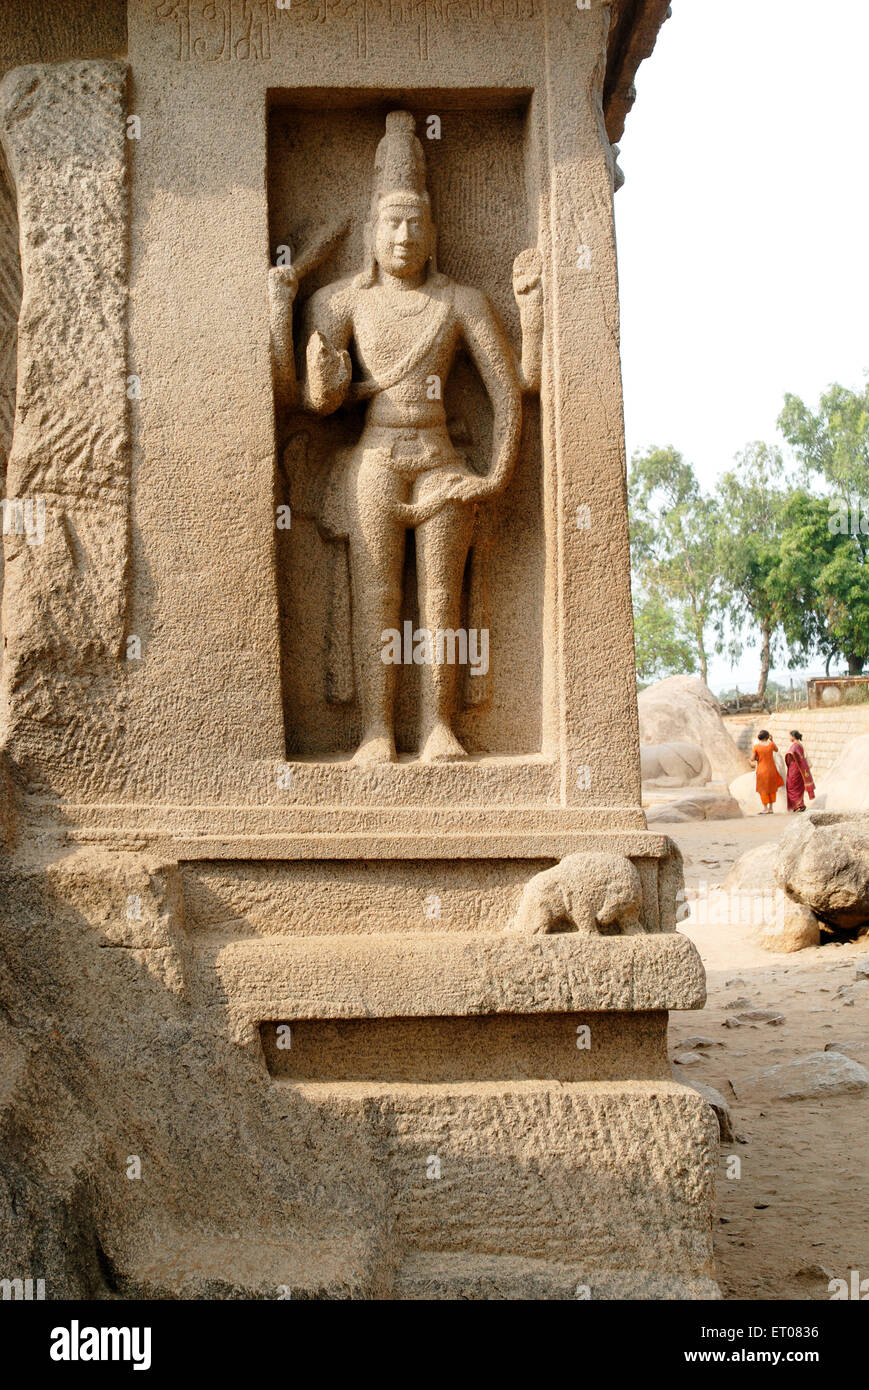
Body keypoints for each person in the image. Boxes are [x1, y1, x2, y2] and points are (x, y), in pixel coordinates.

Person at [750, 729, 783, 814]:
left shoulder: (756, 747)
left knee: (763, 789)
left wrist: (758, 758)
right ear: (767, 737)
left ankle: (765, 808)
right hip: (771, 769)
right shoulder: (771, 744)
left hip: (762, 770)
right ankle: (771, 808)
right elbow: (776, 749)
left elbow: (752, 759)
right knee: (771, 788)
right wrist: (772, 740)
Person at [785, 730, 815, 812]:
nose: (789, 737)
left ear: (793, 736)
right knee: (798, 787)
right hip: (800, 769)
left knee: (792, 787)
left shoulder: (795, 746)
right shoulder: (800, 745)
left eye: (790, 736)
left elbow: (791, 755)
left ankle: (798, 805)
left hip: (795, 769)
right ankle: (800, 804)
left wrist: (788, 759)